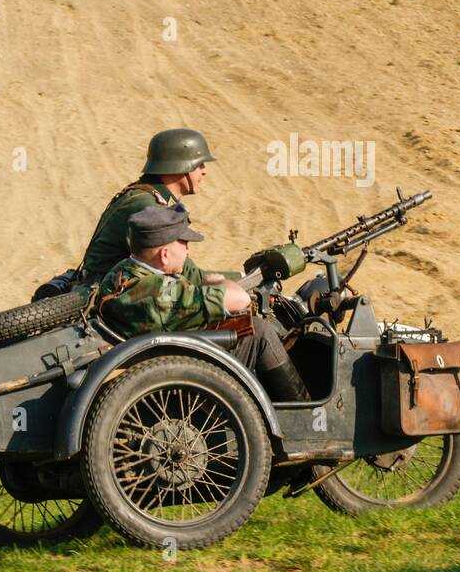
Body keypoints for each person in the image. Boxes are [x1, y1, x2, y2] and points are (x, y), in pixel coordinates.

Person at [96, 206, 310, 403]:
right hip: (179, 381)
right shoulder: (163, 295)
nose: (188, 251)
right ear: (164, 254)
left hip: (150, 367)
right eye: (185, 244)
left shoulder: (121, 272)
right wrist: (217, 281)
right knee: (259, 332)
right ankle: (304, 414)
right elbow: (240, 300)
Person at [78, 128, 217, 283]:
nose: (204, 171)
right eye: (200, 164)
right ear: (181, 166)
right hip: (111, 296)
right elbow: (186, 273)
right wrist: (240, 279)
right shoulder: (149, 208)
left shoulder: (146, 195)